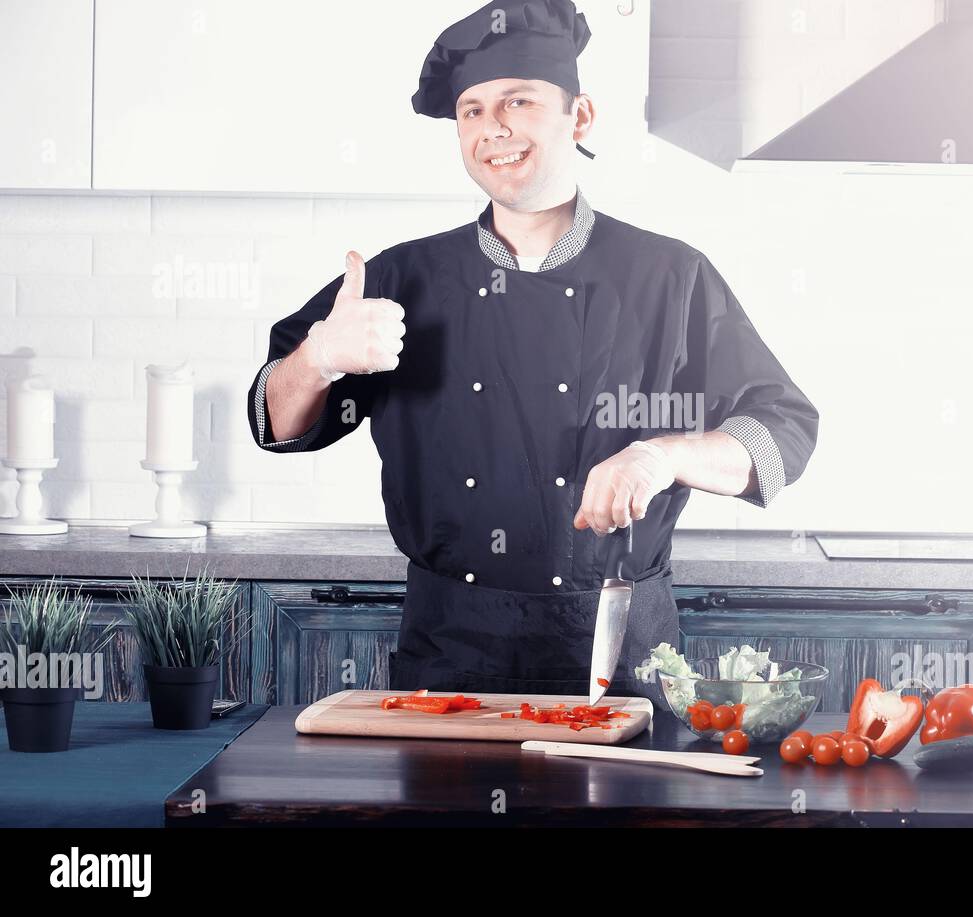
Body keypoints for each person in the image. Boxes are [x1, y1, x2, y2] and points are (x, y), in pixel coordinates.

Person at [247, 0, 817, 708]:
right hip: (449, 656)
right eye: (473, 111)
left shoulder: (670, 276)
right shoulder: (399, 281)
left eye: (518, 101)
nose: (495, 129)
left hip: (622, 660)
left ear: (578, 117)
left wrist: (663, 455)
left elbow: (784, 430)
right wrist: (321, 359)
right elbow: (279, 417)